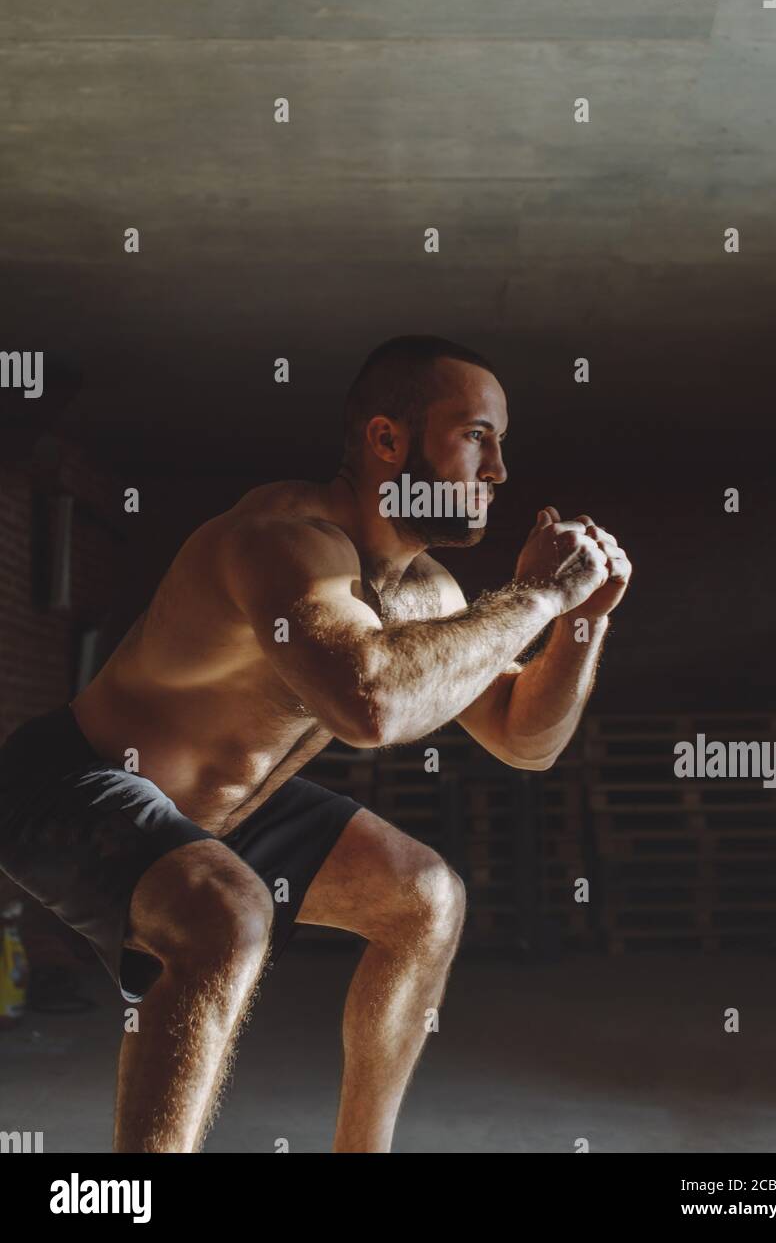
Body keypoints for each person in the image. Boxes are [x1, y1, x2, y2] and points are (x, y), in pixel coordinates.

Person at [0, 334, 632, 1152]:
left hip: (223, 815)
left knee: (425, 898)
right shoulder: (284, 541)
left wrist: (580, 619)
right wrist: (541, 593)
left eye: (502, 444)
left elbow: (524, 740)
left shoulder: (427, 592)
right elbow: (368, 704)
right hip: (72, 782)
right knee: (228, 914)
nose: (500, 471)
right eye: (477, 436)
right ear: (385, 440)